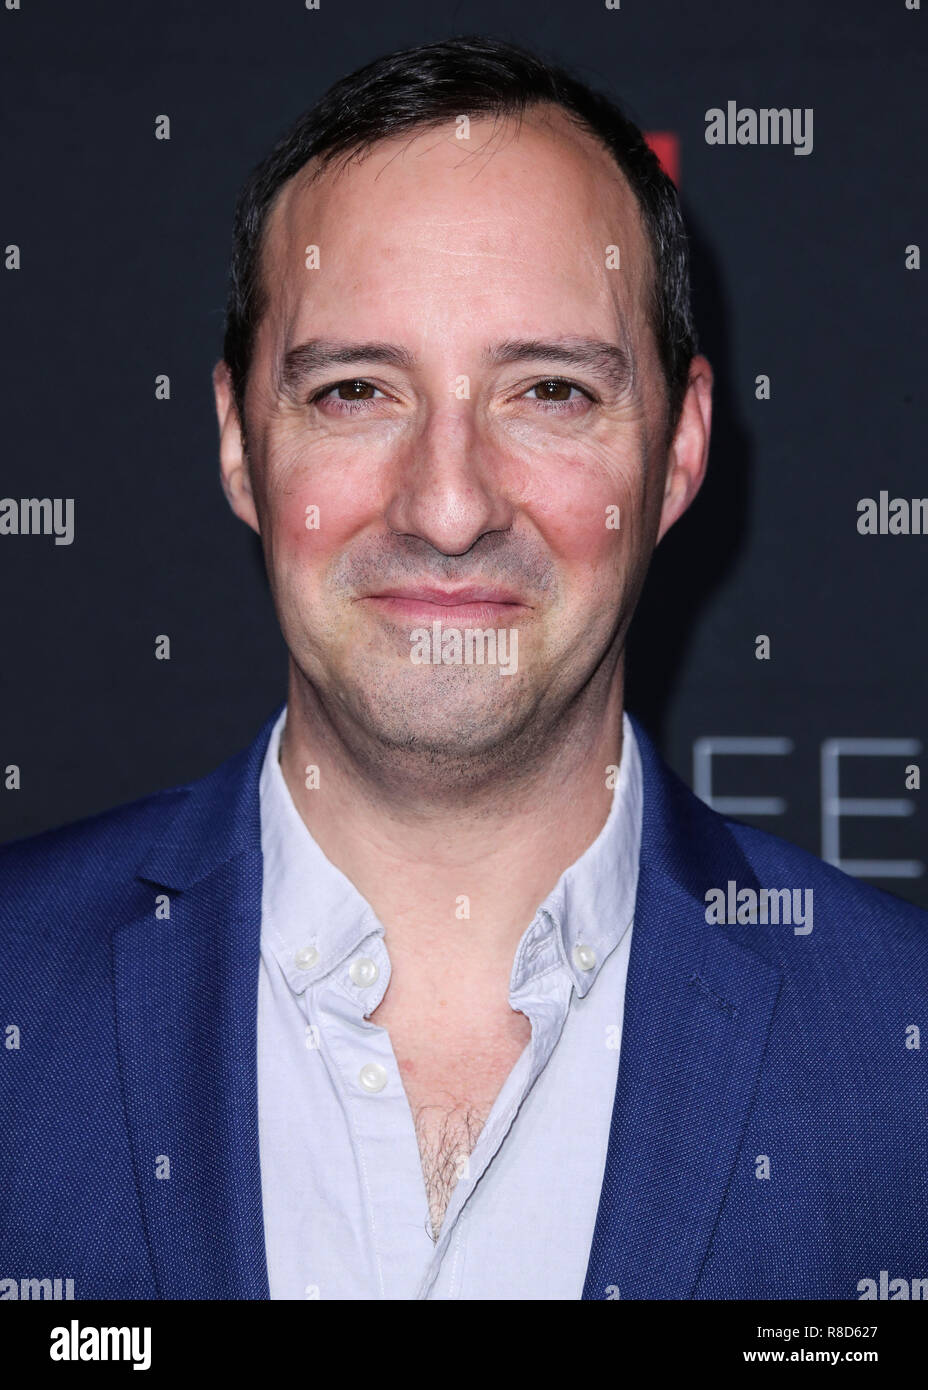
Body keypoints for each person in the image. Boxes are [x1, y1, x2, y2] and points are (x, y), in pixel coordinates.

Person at [2, 35, 926, 1302]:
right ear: (236, 442)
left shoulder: (901, 1057)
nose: (446, 507)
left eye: (547, 390)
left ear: (681, 446)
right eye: (353, 393)